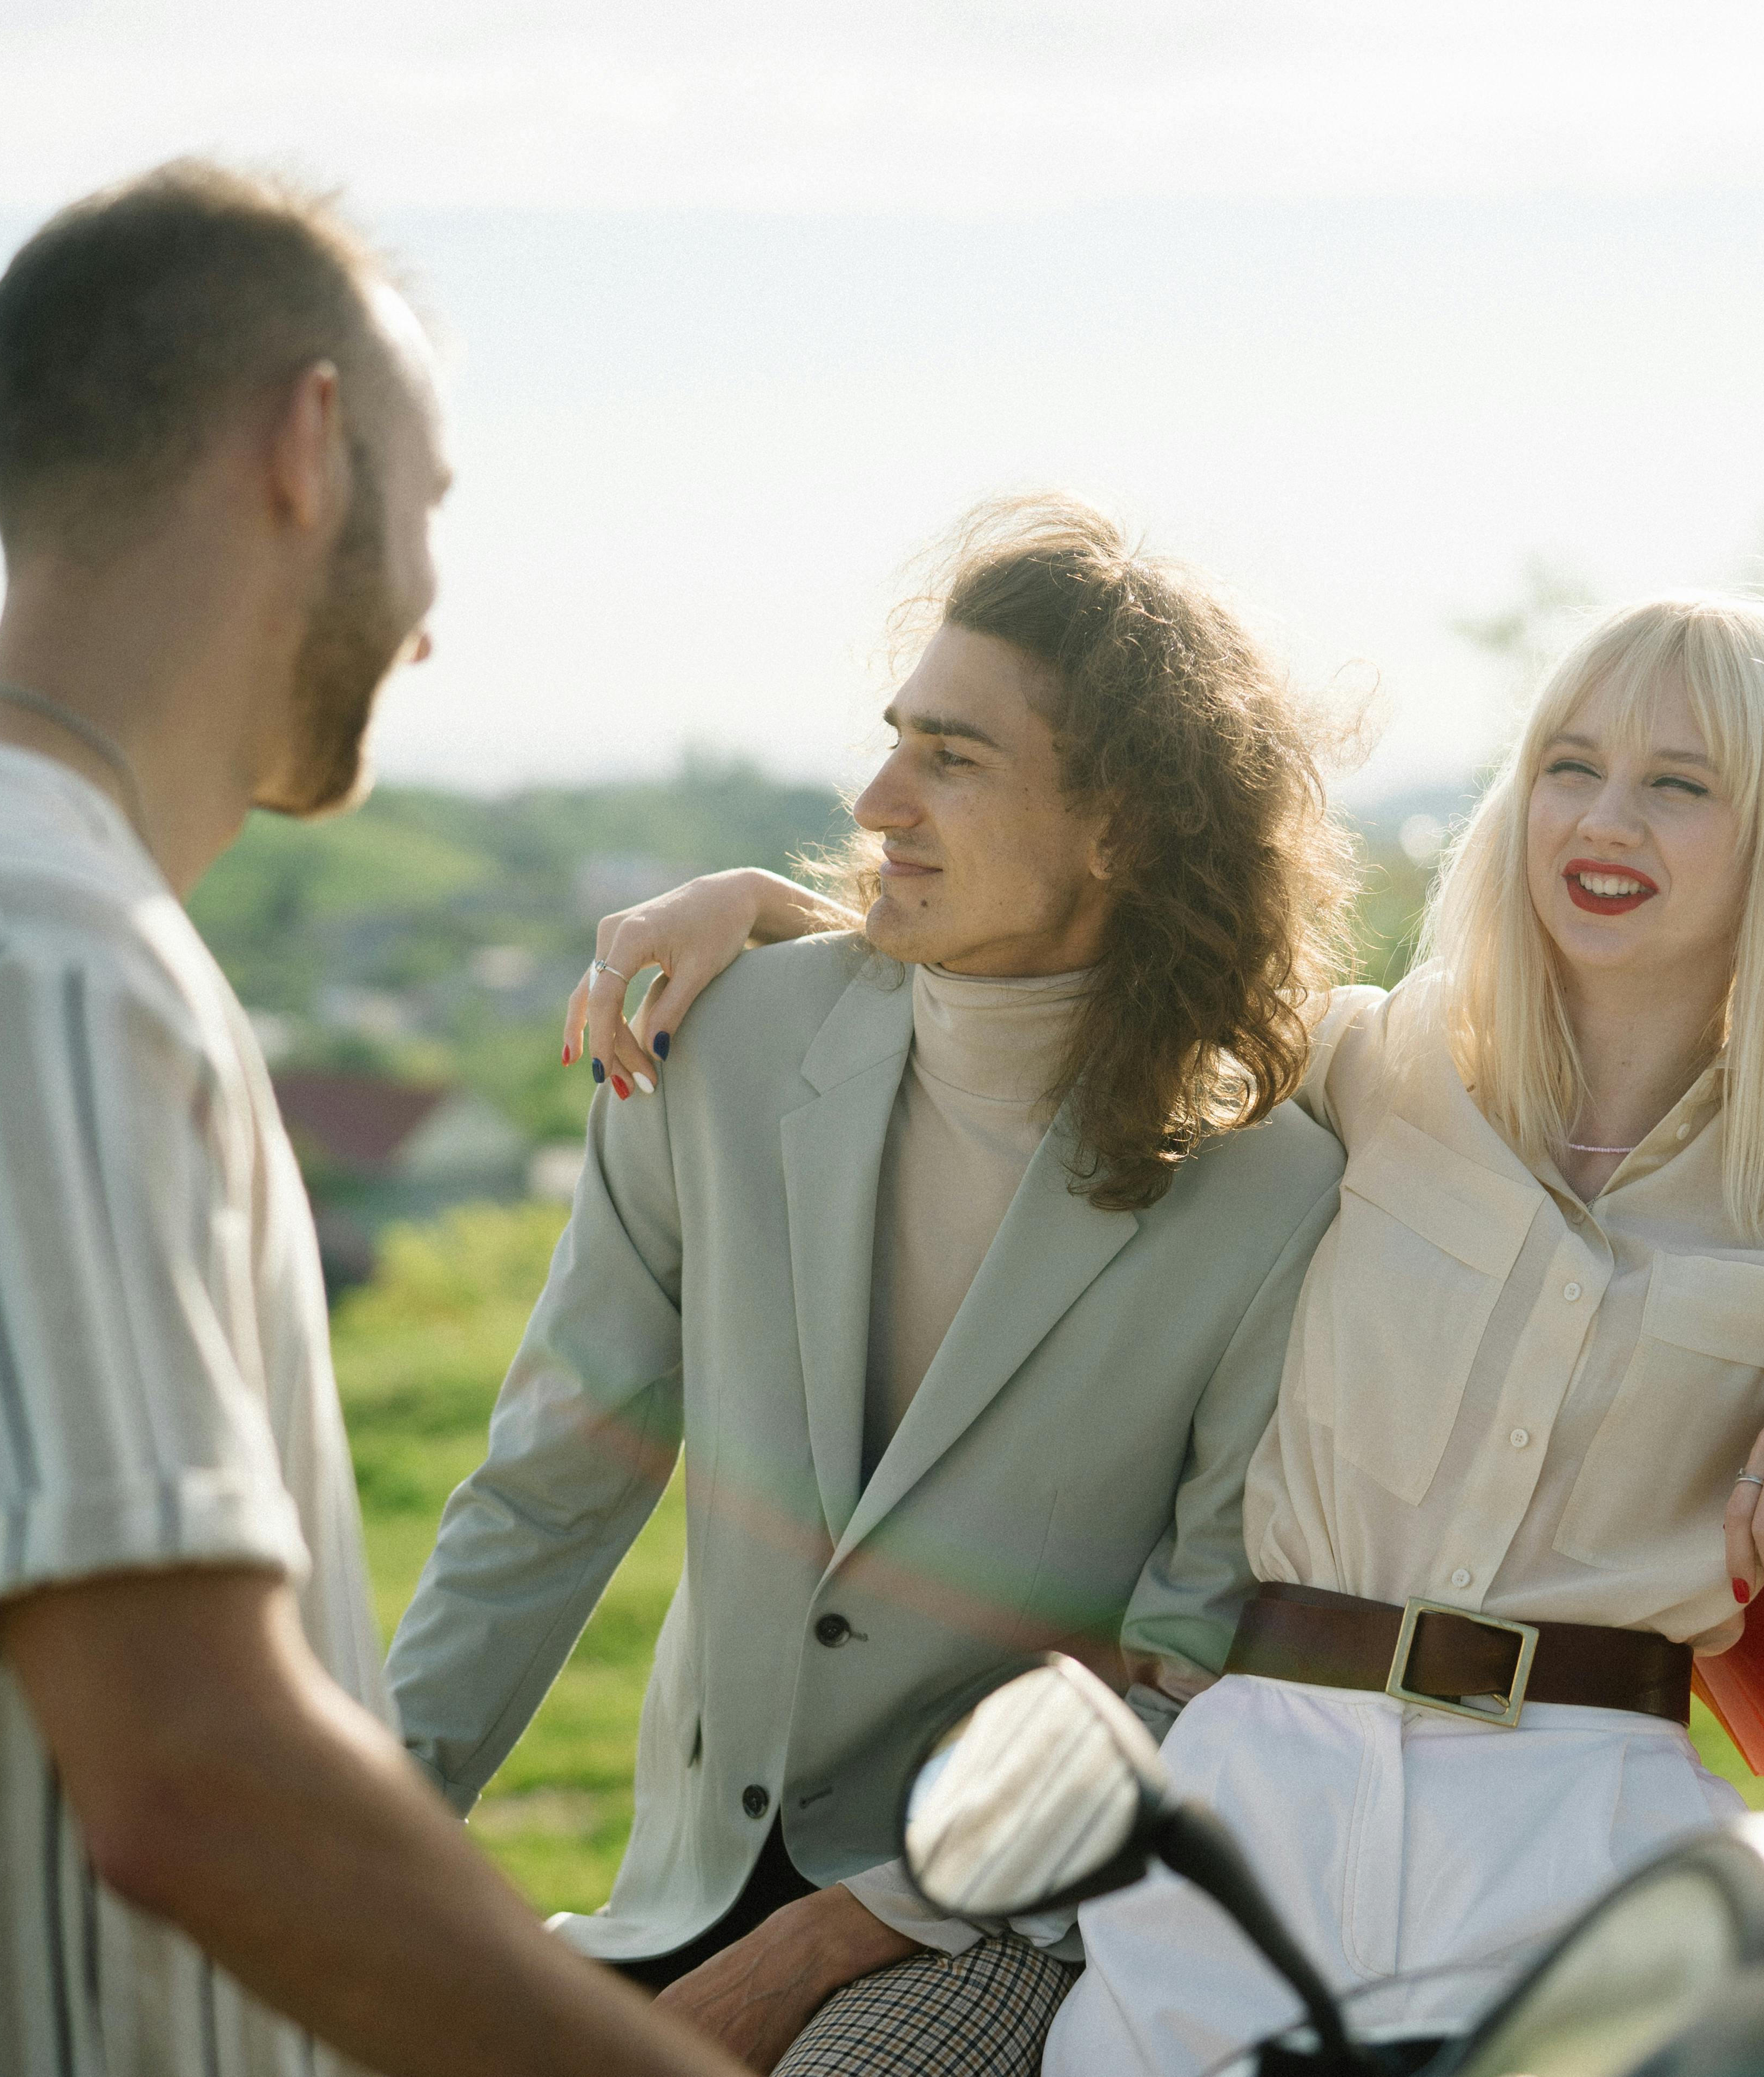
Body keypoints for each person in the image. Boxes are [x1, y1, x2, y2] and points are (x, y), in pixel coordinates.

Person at [596, 591, 1764, 2075]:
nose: (1601, 820)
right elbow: (1049, 991)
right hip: (1247, 1797)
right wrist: (766, 917)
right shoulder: (1367, 1063)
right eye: (1569, 765)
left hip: (1584, 1839)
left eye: (1679, 785)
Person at [0, 161, 743, 2077]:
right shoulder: (33, 956)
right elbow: (200, 1780)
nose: (428, 618)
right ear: (306, 446)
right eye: (427, 503)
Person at [385, 497, 1352, 2076]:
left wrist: (828, 1941)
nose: (876, 799)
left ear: (1121, 827)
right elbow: (547, 1491)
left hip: (993, 1915)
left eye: (951, 760)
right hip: (681, 1888)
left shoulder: (1271, 1194)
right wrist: (365, 1828)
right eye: (896, 739)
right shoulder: (719, 1048)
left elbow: (1186, 1675)